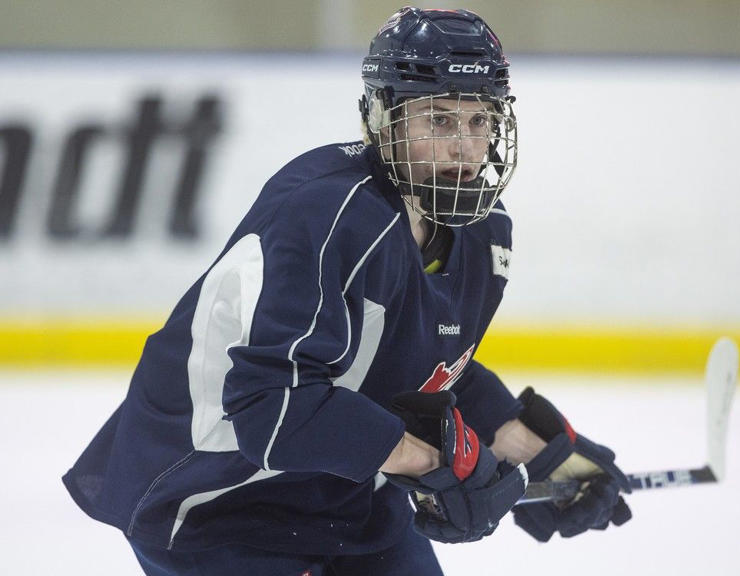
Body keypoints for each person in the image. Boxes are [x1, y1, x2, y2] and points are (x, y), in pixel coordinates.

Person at [63, 7, 631, 576]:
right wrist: (436, 465)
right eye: (438, 120)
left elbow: (421, 375)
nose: (463, 147)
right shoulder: (326, 213)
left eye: (479, 121)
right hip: (215, 507)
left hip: (345, 498)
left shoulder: (486, 233)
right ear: (382, 121)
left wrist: (539, 456)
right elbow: (273, 406)